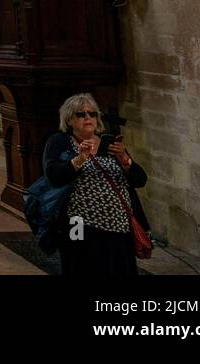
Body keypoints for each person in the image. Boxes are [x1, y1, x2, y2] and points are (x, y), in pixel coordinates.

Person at [44, 93, 149, 275]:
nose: (88, 118)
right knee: (82, 269)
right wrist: (80, 158)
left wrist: (125, 159)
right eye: (81, 114)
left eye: (92, 114)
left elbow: (140, 180)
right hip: (80, 224)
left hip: (118, 225)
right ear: (69, 120)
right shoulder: (60, 142)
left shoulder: (109, 144)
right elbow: (54, 176)